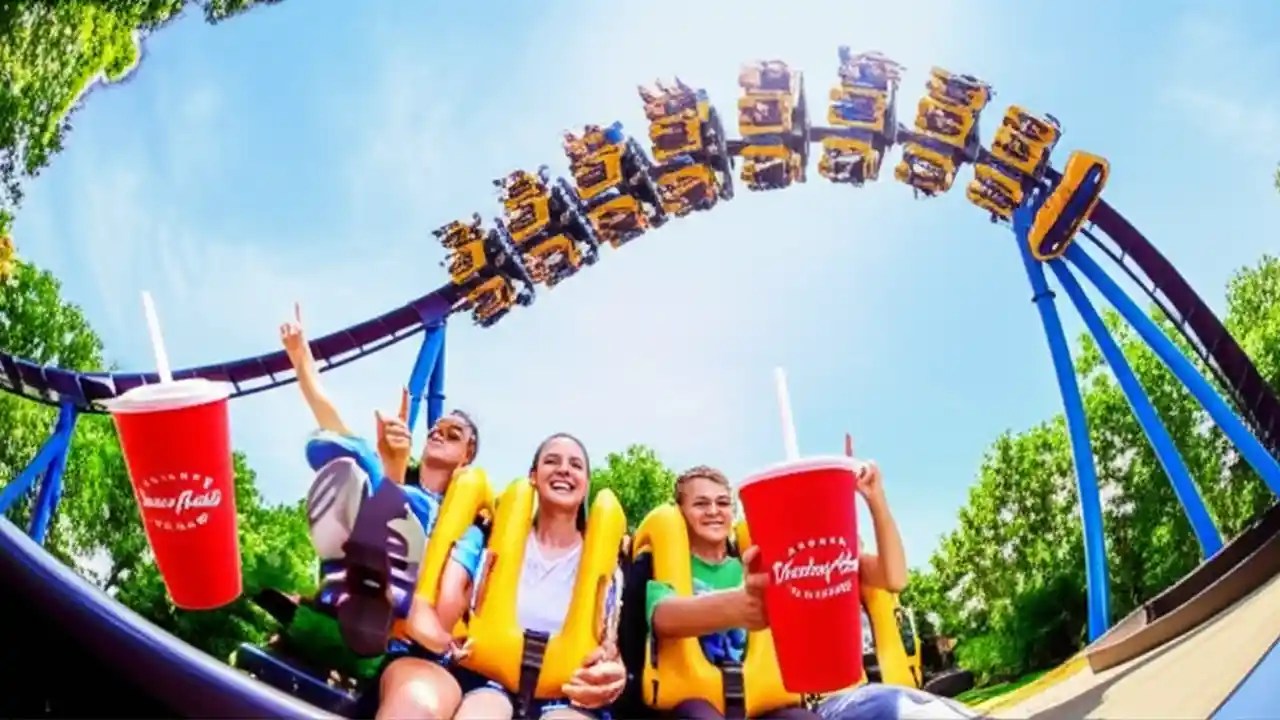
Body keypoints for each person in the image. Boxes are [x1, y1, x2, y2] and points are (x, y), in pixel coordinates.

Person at [279, 304, 486, 656]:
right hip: (364, 562)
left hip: (412, 593)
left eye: (453, 435)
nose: (440, 434)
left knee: (374, 469)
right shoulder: (392, 479)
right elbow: (328, 415)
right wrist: (300, 354)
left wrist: (438, 635)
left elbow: (460, 585)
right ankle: (336, 592)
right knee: (346, 459)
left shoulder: (465, 518)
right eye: (436, 430)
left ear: (468, 454)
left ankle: (376, 601)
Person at [643, 459, 908, 720]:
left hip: (766, 703)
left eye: (722, 503)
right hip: (694, 703)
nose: (713, 511)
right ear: (680, 512)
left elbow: (894, 577)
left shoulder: (761, 562)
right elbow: (662, 617)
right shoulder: (669, 566)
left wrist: (876, 500)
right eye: (701, 504)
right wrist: (741, 606)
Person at [452, 433, 628, 720]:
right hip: (490, 681)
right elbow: (459, 611)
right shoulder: (492, 541)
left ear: (586, 485)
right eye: (551, 461)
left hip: (566, 696)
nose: (564, 470)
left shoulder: (610, 565)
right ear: (533, 476)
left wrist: (615, 672)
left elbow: (611, 645)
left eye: (575, 465)